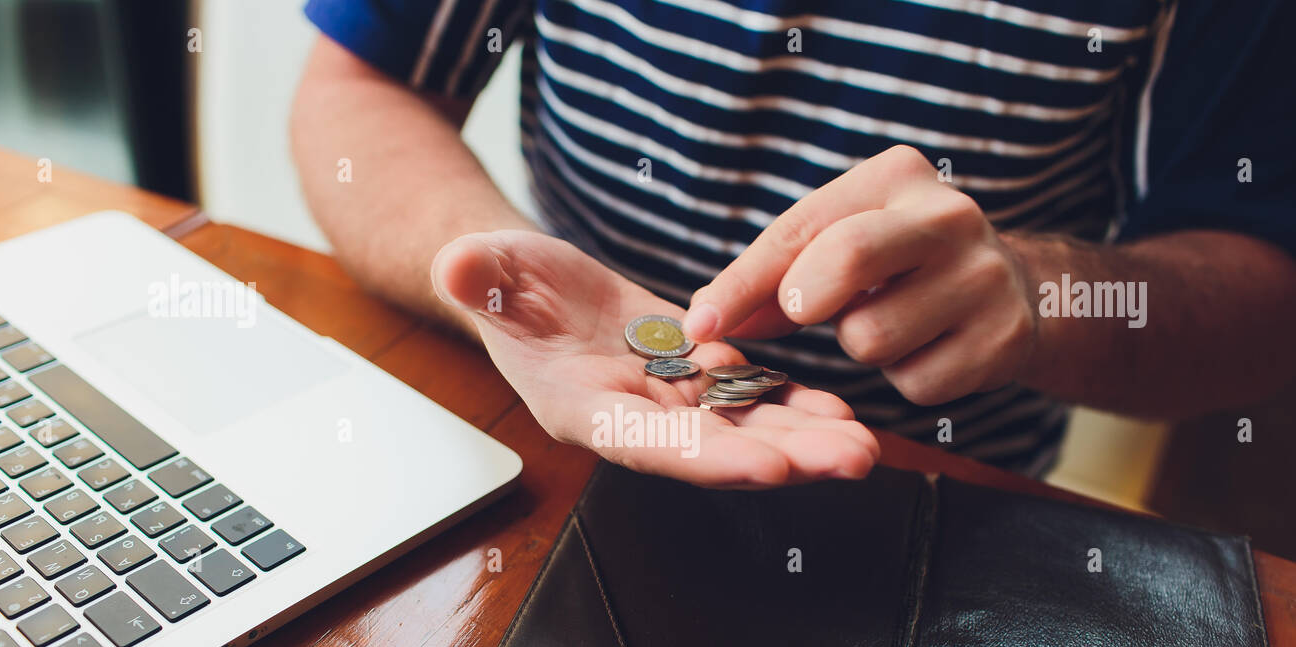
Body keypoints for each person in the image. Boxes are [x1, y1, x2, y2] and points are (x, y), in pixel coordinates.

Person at [291, 0, 1296, 489]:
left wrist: (1041, 289)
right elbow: (362, 86)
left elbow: (1260, 285)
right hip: (542, 444)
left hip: (938, 517)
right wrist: (497, 275)